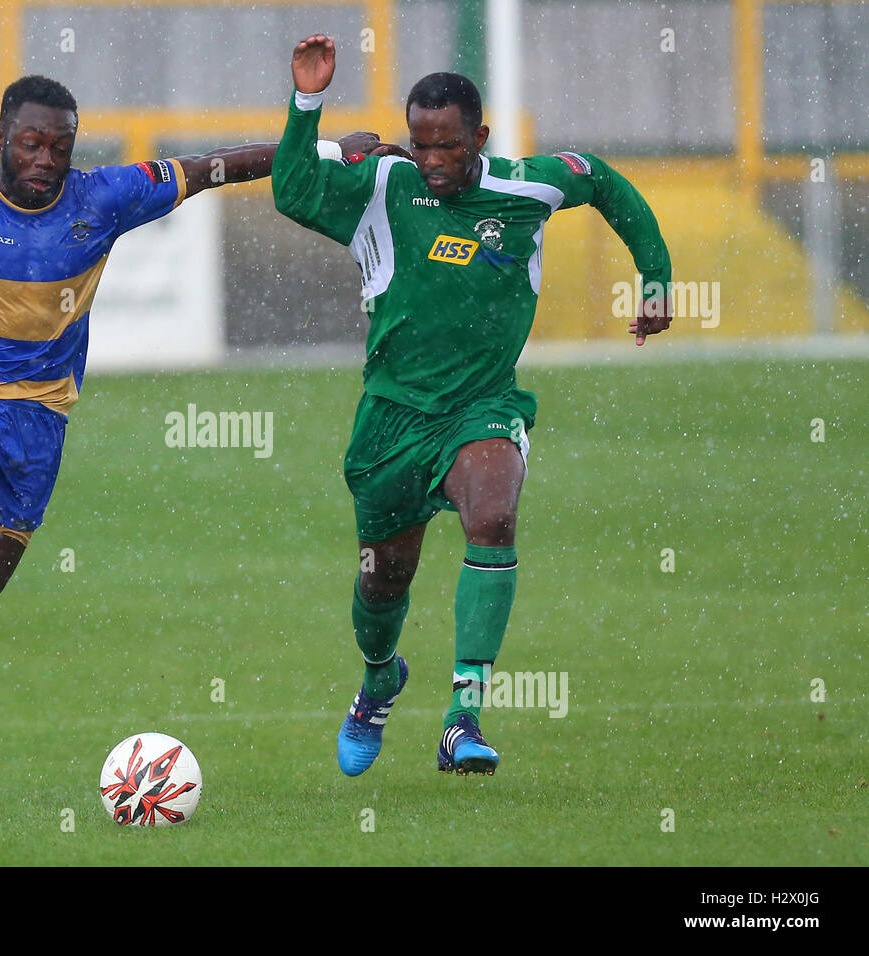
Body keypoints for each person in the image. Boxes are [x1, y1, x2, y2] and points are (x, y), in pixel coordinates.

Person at [0, 74, 381, 808]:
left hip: (40, 430)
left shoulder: (104, 198)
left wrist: (330, 149)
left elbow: (217, 166)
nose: (45, 158)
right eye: (29, 142)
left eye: (60, 145)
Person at [271, 36, 672, 777]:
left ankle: (463, 716)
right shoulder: (385, 185)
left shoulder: (527, 189)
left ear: (478, 139)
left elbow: (605, 180)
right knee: (382, 583)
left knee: (493, 512)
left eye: (447, 147)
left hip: (482, 405)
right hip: (391, 419)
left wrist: (656, 276)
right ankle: (380, 679)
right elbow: (292, 189)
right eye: (421, 144)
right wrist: (307, 102)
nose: (432, 161)